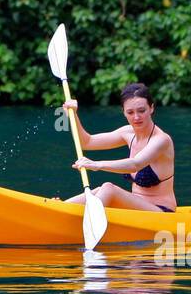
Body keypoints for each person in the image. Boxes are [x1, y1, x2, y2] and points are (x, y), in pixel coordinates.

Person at [55, 82, 177, 212]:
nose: (136, 117)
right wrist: (73, 115)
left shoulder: (162, 140)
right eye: (130, 112)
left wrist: (97, 165)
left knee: (109, 188)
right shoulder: (127, 133)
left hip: (161, 211)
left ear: (151, 108)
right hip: (135, 209)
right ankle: (60, 208)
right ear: (124, 112)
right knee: (98, 190)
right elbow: (87, 142)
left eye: (141, 110)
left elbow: (135, 164)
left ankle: (83, 221)